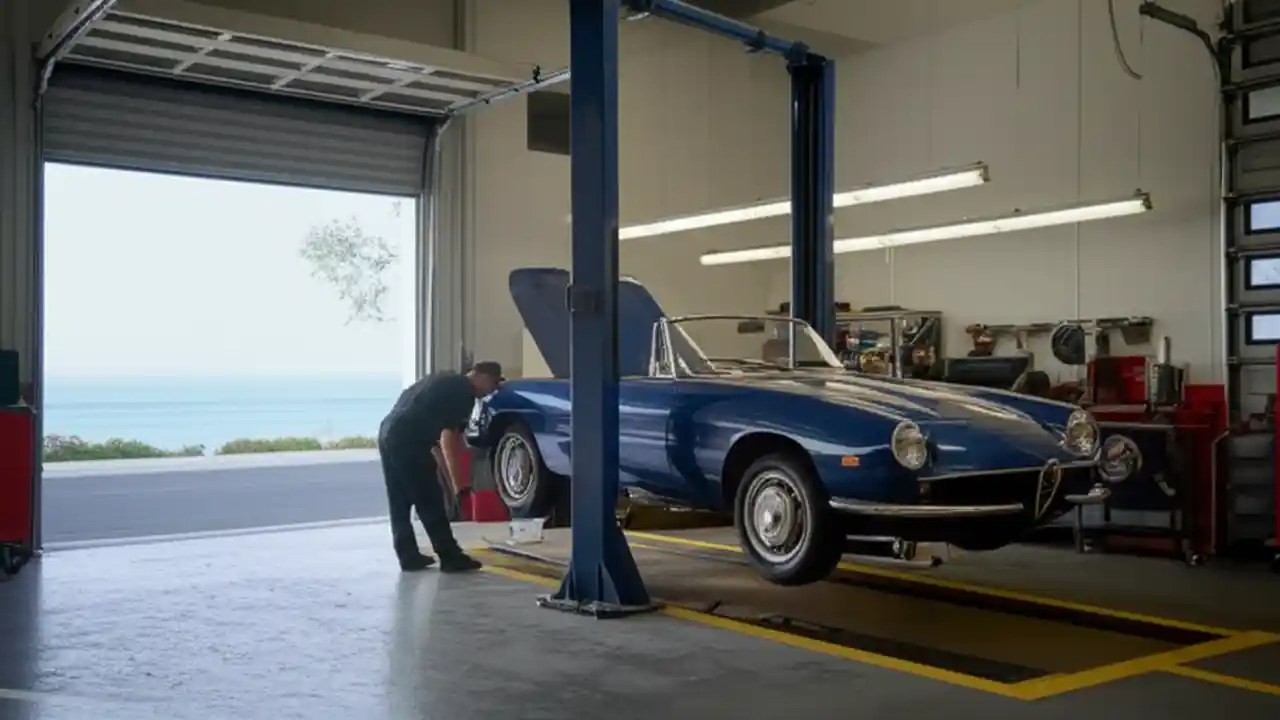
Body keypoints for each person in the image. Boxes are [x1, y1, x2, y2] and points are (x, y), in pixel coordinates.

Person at [378, 361, 504, 572]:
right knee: (430, 500)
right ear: (483, 377)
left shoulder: (441, 379)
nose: (491, 391)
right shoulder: (464, 392)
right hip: (409, 439)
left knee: (399, 499)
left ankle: (408, 555)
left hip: (388, 432)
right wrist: (458, 486)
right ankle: (450, 557)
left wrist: (445, 476)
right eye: (494, 385)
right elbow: (449, 439)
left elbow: (437, 441)